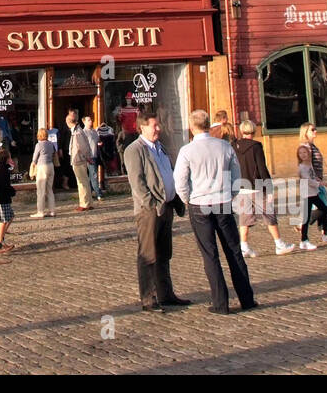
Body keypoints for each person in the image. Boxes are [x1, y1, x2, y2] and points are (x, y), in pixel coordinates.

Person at [176, 110, 257, 314]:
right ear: (208, 125)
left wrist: (188, 199)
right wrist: (230, 193)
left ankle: (221, 303)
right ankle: (246, 298)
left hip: (200, 203)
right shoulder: (224, 146)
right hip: (222, 201)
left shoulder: (187, 151)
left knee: (210, 254)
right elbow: (236, 175)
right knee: (234, 251)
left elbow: (180, 181)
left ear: (192, 127)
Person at [123, 110, 190, 312]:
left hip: (167, 207)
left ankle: (166, 294)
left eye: (158, 125)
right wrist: (151, 204)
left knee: (163, 253)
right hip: (150, 211)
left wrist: (175, 199)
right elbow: (137, 182)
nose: (158, 129)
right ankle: (148, 298)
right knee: (148, 254)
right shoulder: (134, 150)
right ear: (142, 127)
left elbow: (168, 174)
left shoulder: (160, 147)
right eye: (154, 125)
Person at [230, 119, 295, 256]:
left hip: (240, 187)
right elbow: (261, 168)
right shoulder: (256, 146)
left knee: (244, 219)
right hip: (256, 186)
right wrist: (269, 188)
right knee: (269, 215)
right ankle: (279, 244)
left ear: (241, 131)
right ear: (254, 131)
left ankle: (244, 246)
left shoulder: (233, 146)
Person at [296, 123, 327, 240]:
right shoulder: (306, 147)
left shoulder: (312, 146)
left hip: (316, 181)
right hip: (313, 183)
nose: (315, 131)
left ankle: (324, 231)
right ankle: (322, 232)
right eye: (312, 130)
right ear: (305, 133)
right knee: (323, 208)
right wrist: (317, 181)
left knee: (322, 208)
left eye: (315, 129)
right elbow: (307, 166)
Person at [68, 112, 95, 212]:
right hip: (79, 159)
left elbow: (82, 146)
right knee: (85, 181)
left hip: (78, 159)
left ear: (69, 122)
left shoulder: (77, 132)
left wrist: (88, 157)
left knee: (81, 182)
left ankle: (84, 204)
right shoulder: (77, 130)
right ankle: (89, 202)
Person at [0, 146, 16, 249]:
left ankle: (1, 237)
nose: (11, 159)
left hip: (3, 198)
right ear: (7, 158)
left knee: (10, 217)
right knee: (3, 220)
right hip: (0, 199)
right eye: (10, 157)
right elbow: (3, 186)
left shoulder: (3, 168)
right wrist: (11, 191)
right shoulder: (1, 169)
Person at [29, 127, 57, 218]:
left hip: (42, 166)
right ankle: (52, 211)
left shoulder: (39, 145)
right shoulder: (51, 144)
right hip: (50, 166)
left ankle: (40, 211)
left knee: (41, 190)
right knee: (49, 190)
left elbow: (34, 158)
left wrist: (32, 167)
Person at [82, 115, 104, 201]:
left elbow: (97, 141)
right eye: (88, 120)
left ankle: (90, 192)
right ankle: (99, 193)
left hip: (95, 155)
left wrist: (99, 144)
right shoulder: (83, 132)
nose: (91, 121)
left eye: (91, 120)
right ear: (84, 122)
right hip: (89, 157)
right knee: (94, 175)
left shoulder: (94, 131)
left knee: (92, 174)